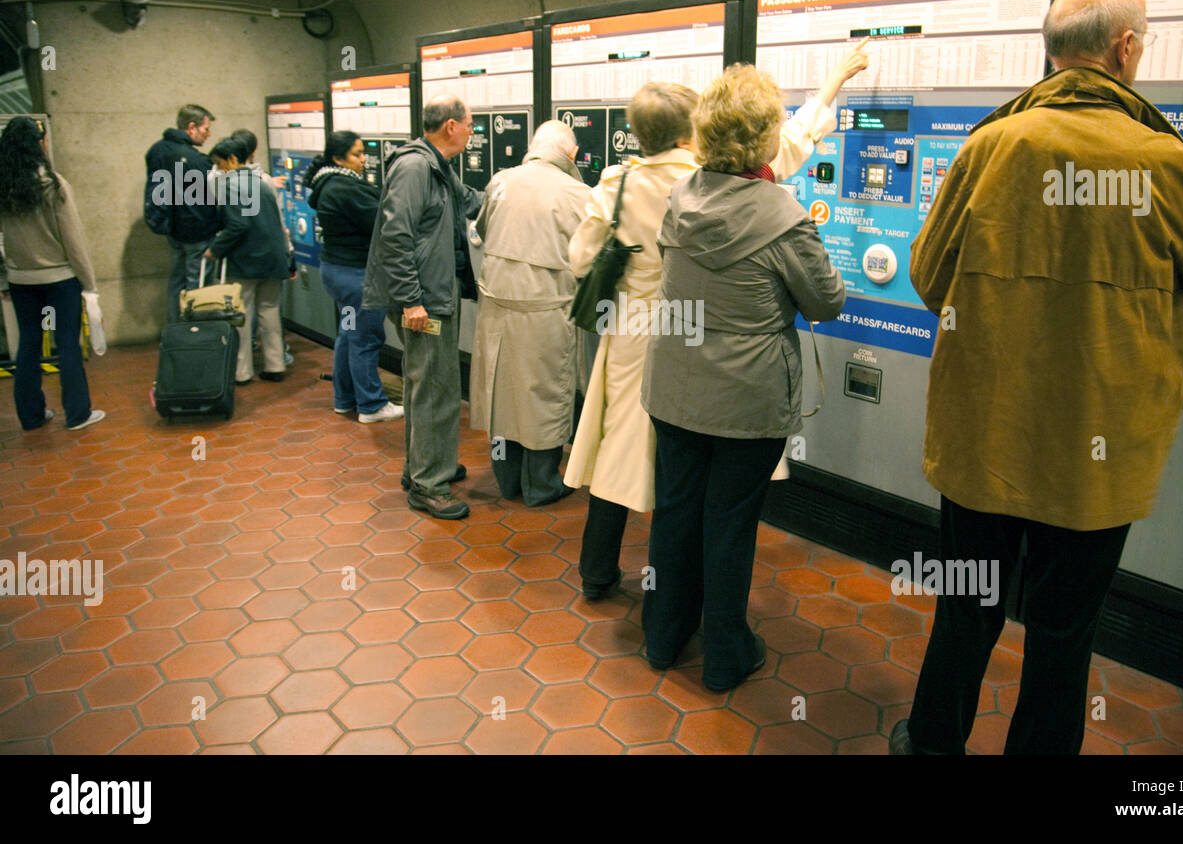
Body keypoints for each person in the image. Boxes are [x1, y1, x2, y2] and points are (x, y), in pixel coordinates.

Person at [892, 0, 1183, 755]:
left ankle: (931, 747)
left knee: (968, 606)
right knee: (1064, 632)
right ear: (1125, 49)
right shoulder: (1168, 161)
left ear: (1052, 51)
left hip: (984, 438)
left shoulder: (990, 145)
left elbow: (930, 276)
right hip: (1098, 455)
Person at [567, 43, 870, 602]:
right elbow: (794, 143)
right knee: (706, 486)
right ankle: (703, 600)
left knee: (618, 455)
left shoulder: (618, 184)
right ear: (691, 131)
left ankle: (599, 571)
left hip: (639, 335)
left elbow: (581, 262)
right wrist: (833, 82)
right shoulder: (730, 180)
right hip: (712, 340)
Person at [639, 64, 847, 691]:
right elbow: (826, 301)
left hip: (674, 388)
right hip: (746, 402)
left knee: (675, 512)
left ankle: (663, 636)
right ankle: (727, 653)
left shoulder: (681, 196)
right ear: (764, 136)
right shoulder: (781, 215)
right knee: (729, 523)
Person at [362, 96, 481, 520]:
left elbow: (471, 201)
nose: (473, 131)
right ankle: (429, 486)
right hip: (424, 302)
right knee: (434, 388)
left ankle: (426, 467)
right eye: (470, 125)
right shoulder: (415, 168)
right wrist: (412, 300)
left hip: (435, 295)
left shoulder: (437, 165)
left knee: (430, 384)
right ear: (451, 126)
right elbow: (396, 237)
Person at [469, 121, 589, 506]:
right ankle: (541, 485)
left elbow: (483, 231)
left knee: (501, 397)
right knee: (544, 397)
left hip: (496, 310)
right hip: (546, 311)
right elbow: (589, 256)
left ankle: (507, 480)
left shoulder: (500, 181)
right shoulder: (578, 193)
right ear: (570, 154)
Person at [0, 116, 104, 430]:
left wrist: (4, 277)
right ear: (38, 142)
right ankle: (77, 414)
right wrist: (89, 283)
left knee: (29, 344)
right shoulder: (53, 184)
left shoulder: (3, 184)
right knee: (67, 342)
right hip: (59, 279)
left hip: (21, 279)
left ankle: (31, 416)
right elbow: (72, 239)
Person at [306, 130, 400, 422]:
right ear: (338, 158)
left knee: (348, 334)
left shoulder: (326, 184)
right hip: (357, 278)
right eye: (357, 155)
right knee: (365, 338)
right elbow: (383, 220)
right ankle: (372, 405)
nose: (364, 160)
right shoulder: (345, 188)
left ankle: (344, 398)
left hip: (336, 274)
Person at [203, 136, 291, 385]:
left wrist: (215, 250)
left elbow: (237, 225)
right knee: (270, 310)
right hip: (273, 258)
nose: (218, 170)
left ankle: (242, 372)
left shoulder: (231, 184)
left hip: (247, 260)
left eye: (220, 164)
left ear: (233, 159)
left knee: (240, 314)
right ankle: (275, 365)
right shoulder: (262, 182)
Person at [146, 104, 216, 324]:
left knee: (177, 281)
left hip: (172, 229)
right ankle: (194, 333)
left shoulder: (157, 150)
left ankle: (175, 329)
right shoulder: (195, 160)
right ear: (191, 127)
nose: (208, 134)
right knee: (198, 285)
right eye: (205, 129)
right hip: (197, 231)